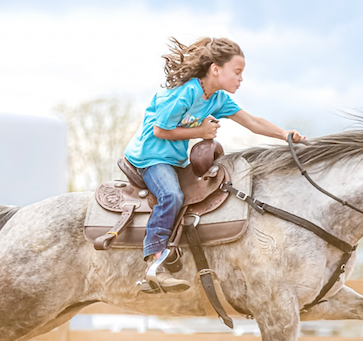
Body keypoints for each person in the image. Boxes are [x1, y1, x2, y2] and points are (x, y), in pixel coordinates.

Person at [124, 37, 306, 292]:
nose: (241, 79)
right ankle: (154, 263)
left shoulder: (217, 99)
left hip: (174, 159)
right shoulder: (183, 94)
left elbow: (252, 122)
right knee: (171, 195)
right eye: (237, 72)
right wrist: (200, 131)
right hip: (149, 157)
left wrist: (284, 134)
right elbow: (159, 131)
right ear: (215, 69)